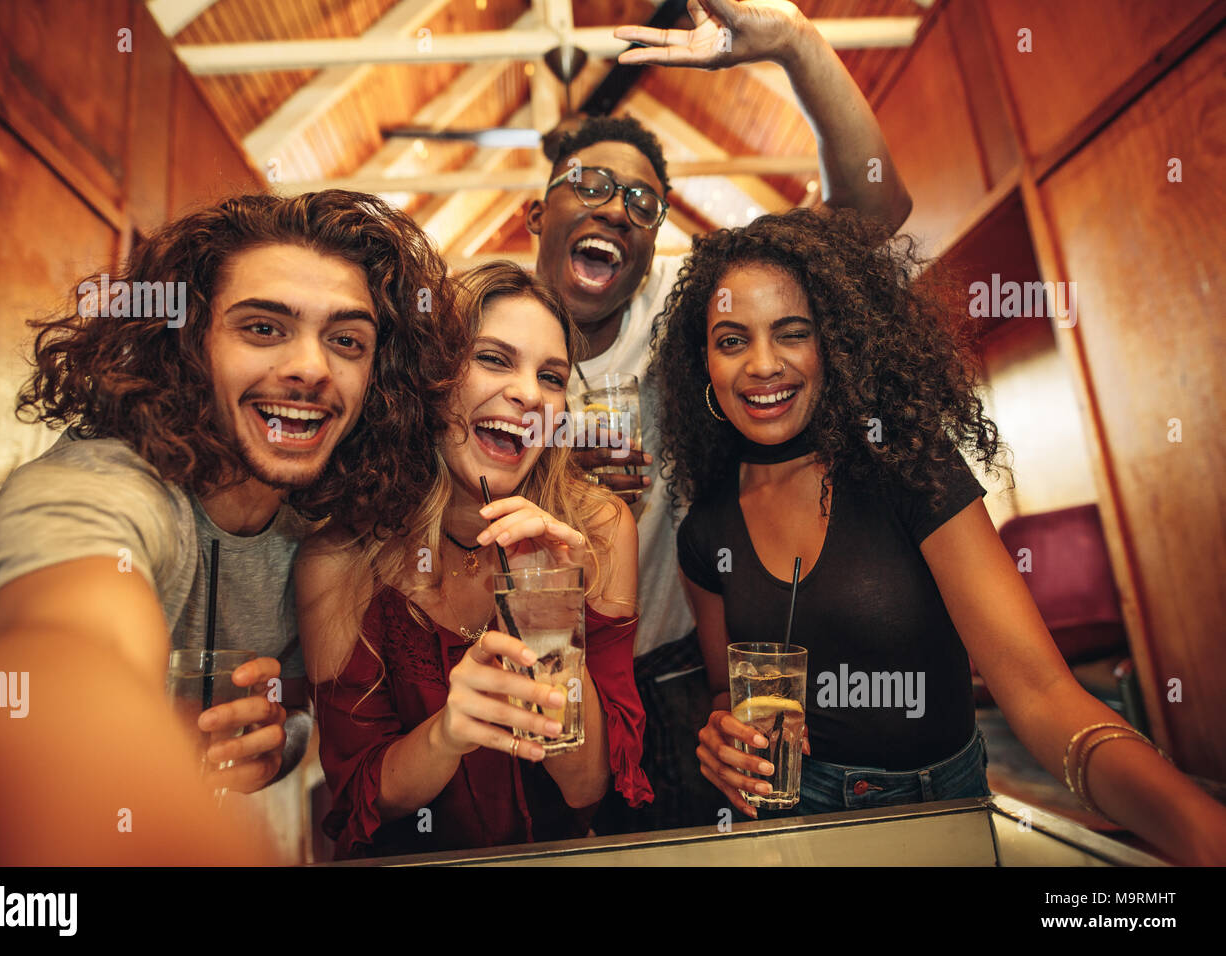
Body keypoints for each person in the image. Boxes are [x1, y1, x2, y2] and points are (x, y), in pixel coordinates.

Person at [653, 209, 1226, 865]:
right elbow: (732, 690)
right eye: (731, 340)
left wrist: (1199, 830)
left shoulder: (905, 469)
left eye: (792, 333)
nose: (761, 364)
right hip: (790, 829)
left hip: (940, 812)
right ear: (702, 361)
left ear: (835, 345)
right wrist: (723, 735)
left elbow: (1042, 695)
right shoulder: (704, 531)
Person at [524, 0, 913, 831]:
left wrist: (798, 46)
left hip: (668, 678)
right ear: (536, 217)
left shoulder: (688, 310)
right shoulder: (480, 333)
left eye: (641, 198)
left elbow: (875, 215)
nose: (615, 206)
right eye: (587, 182)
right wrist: (551, 471)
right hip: (528, 667)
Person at [0, 190, 457, 795]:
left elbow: (289, 710)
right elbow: (75, 638)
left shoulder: (314, 525)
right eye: (263, 328)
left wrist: (271, 743)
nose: (312, 368)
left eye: (346, 341)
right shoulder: (90, 491)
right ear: (186, 346)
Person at [298, 262, 650, 858]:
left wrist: (549, 608)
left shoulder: (599, 530)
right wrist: (447, 733)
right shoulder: (340, 559)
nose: (529, 393)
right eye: (493, 358)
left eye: (552, 376)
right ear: (429, 378)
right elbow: (361, 797)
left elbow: (587, 789)